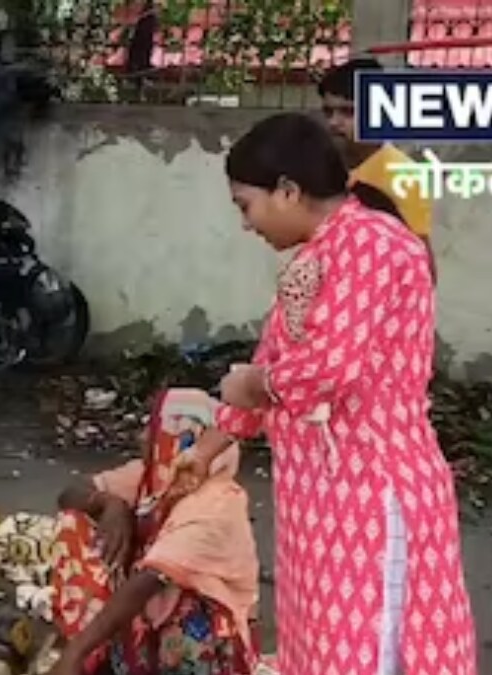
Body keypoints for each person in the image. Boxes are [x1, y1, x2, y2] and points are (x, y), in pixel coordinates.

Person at [173, 113, 476, 675]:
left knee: (370, 648)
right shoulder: (321, 253)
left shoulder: (373, 244)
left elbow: (327, 368)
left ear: (288, 191)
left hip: (371, 490)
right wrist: (206, 450)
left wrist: (254, 385)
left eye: (245, 205)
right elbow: (274, 358)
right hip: (320, 496)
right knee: (323, 645)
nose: (245, 224)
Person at [47, 388, 260, 675]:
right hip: (152, 621)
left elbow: (150, 580)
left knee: (169, 593)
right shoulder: (154, 480)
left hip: (203, 646)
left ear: (180, 438)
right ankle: (104, 660)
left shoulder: (218, 502)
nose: (143, 437)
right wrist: (109, 504)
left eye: (154, 427)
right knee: (75, 523)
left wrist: (76, 651)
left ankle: (91, 657)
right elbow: (70, 494)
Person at [318, 58, 437, 280]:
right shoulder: (320, 165)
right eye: (328, 112)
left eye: (348, 112)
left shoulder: (403, 174)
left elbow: (421, 263)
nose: (334, 122)